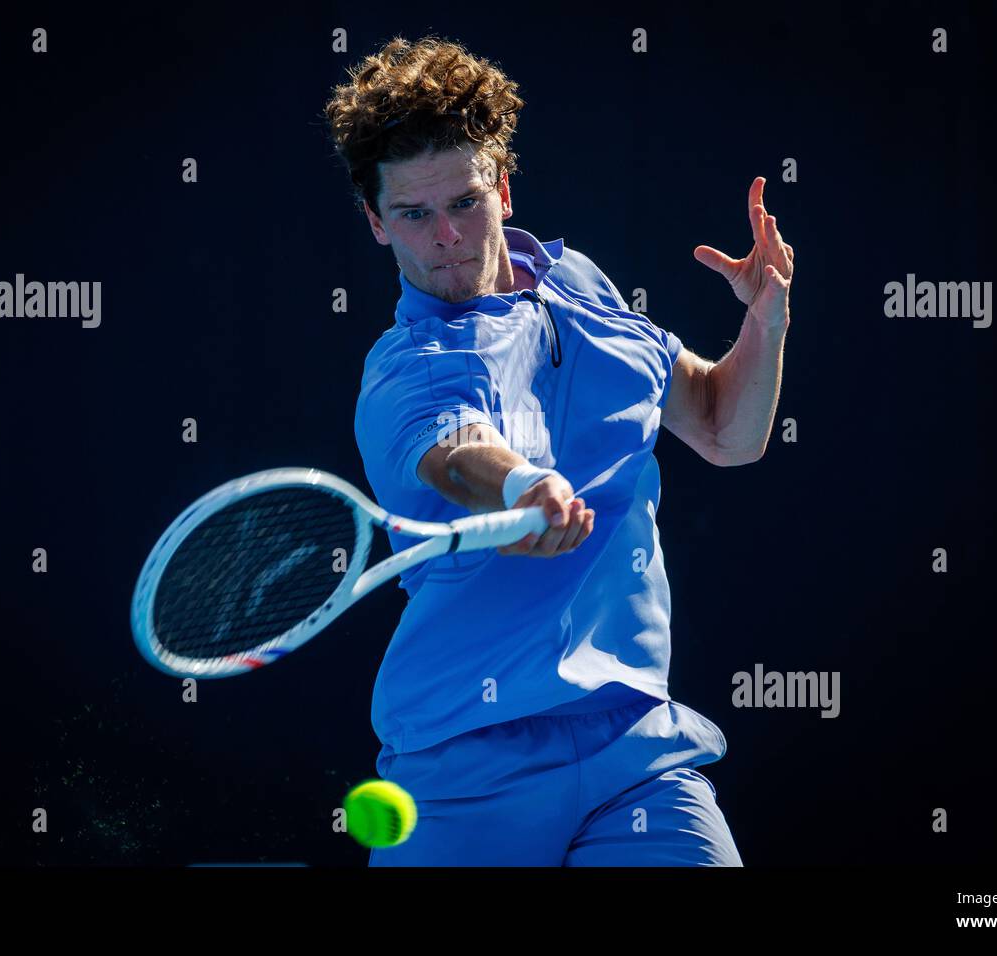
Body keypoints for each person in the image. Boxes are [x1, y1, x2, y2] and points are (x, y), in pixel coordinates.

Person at [322, 35, 793, 865]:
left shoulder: (579, 285)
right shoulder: (411, 371)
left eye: (465, 202)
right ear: (375, 223)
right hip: (466, 767)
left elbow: (726, 429)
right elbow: (462, 450)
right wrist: (526, 488)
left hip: (636, 753)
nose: (445, 238)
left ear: (503, 188)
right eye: (413, 215)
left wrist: (765, 320)